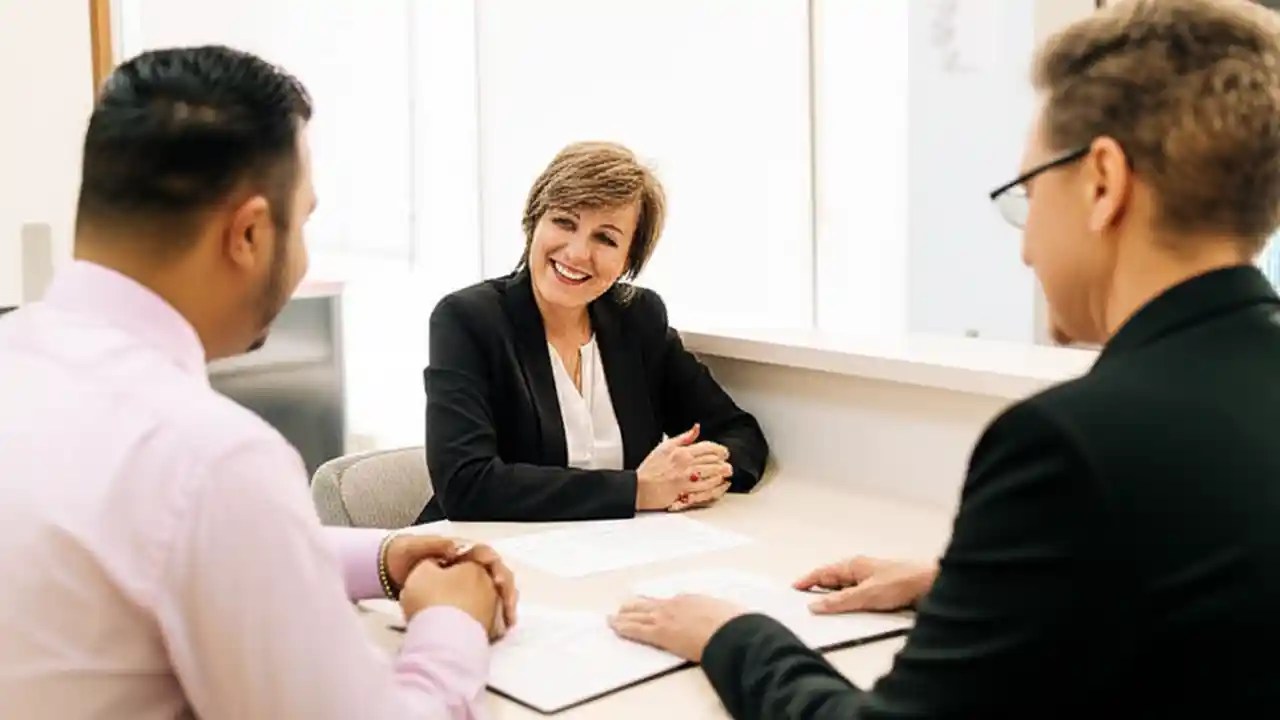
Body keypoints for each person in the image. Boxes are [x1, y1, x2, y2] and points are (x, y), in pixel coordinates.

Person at [610, 0, 1280, 715]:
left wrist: (732, 634)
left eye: (1027, 193)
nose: (1024, 247)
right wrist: (976, 589)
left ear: (1102, 183)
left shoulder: (1069, 445)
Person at [0, 46, 518, 719]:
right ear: (247, 233)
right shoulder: (210, 457)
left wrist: (384, 557)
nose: (302, 253)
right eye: (301, 221)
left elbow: (157, 555)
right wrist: (453, 624)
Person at [418, 142, 769, 522]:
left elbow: (737, 432)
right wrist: (638, 489)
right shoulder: (468, 320)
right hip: (476, 559)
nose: (576, 252)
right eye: (564, 222)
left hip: (605, 555)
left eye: (605, 238)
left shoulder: (637, 319)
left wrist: (699, 475)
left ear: (628, 260)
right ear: (534, 222)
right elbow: (466, 485)